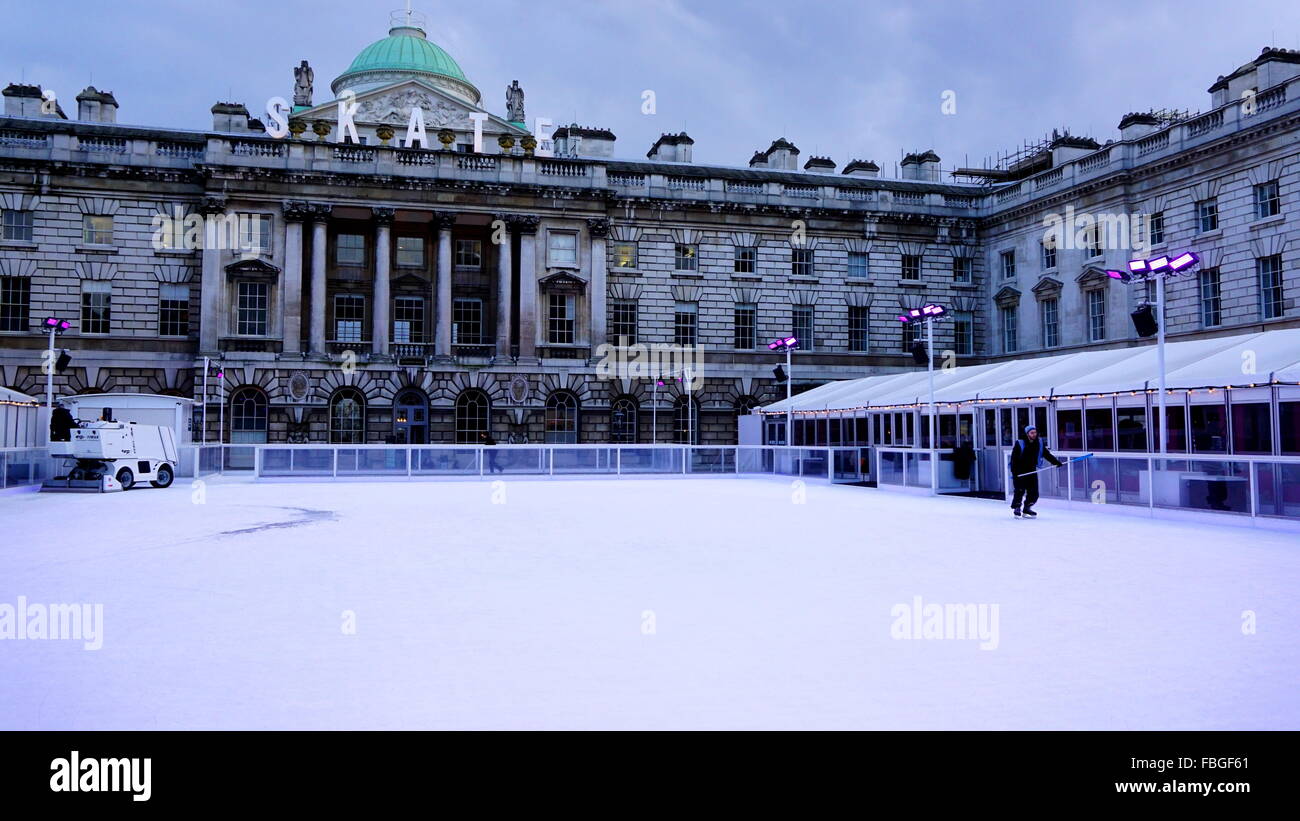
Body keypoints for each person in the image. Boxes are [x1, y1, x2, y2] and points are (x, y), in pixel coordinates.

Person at [1008, 425, 1063, 518]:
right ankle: (1017, 507)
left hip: (1031, 470)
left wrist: (1056, 462)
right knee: (1019, 490)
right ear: (1027, 434)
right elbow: (1014, 459)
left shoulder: (1039, 443)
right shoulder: (1020, 443)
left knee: (1034, 492)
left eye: (1035, 432)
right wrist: (1015, 472)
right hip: (1019, 471)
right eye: (1031, 433)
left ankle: (1027, 508)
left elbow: (1046, 454)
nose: (1034, 434)